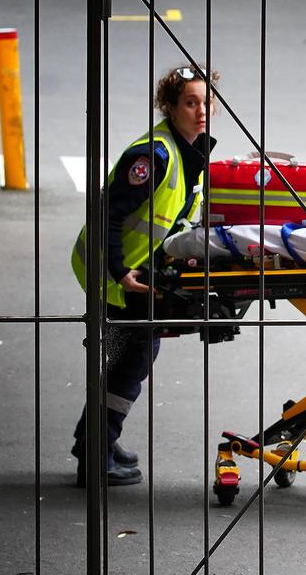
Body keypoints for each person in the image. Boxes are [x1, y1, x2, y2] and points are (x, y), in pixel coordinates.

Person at [70, 64, 218, 487]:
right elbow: (107, 217)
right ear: (170, 107)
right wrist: (120, 272)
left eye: (206, 101)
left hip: (137, 271)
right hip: (114, 274)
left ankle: (94, 442)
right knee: (131, 361)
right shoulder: (154, 156)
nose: (201, 110)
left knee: (126, 359)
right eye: (191, 102)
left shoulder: (193, 149)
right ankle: (96, 457)